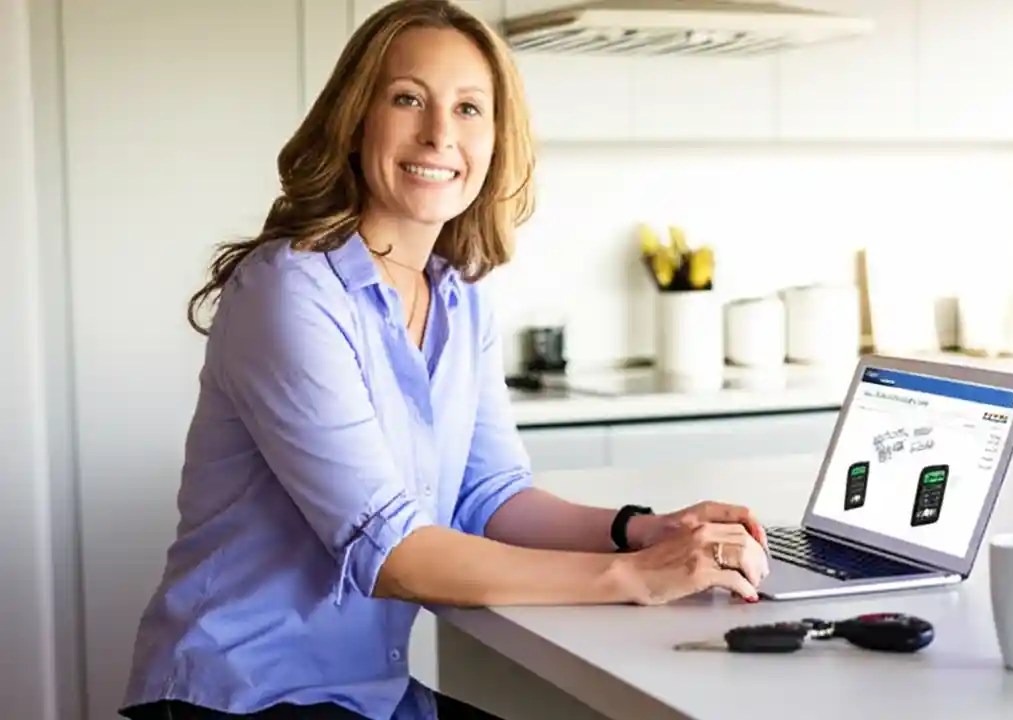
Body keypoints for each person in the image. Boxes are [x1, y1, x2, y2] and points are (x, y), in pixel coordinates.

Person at [117, 2, 770, 719]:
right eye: (407, 99)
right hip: (241, 697)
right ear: (356, 118)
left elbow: (490, 496)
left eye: (468, 108)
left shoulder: (459, 297)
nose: (439, 135)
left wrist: (644, 529)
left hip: (370, 695)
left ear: (495, 139)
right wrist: (633, 576)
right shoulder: (290, 290)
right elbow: (394, 553)